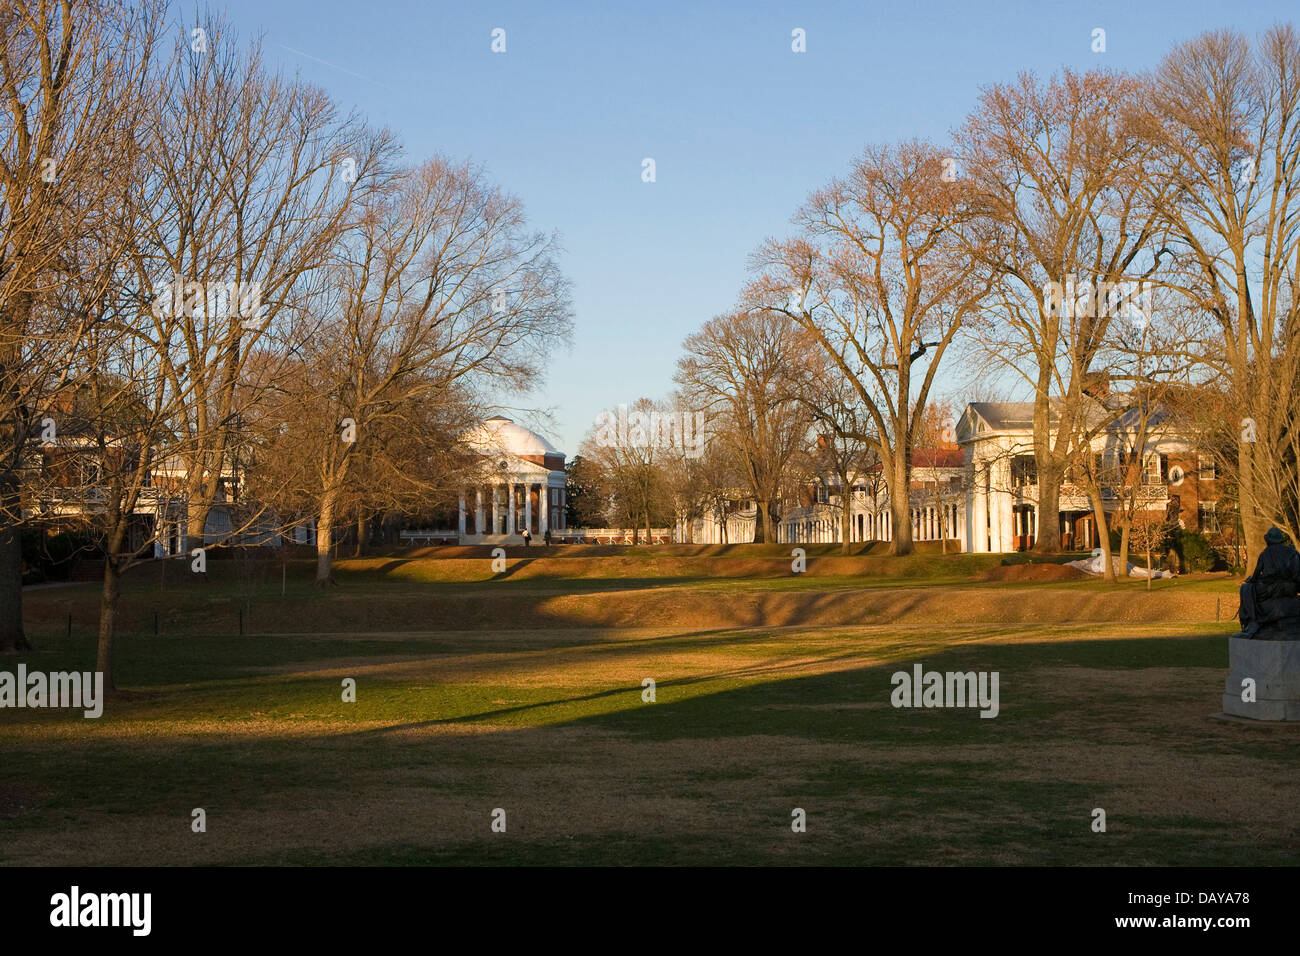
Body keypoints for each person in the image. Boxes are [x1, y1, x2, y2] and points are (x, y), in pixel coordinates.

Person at [1237, 527, 1300, 640]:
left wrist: (1250, 581)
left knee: (1246, 589)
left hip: (1269, 589)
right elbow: (1298, 575)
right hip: (1289, 588)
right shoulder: (1292, 553)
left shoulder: (1265, 553)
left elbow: (1256, 575)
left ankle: (1252, 622)